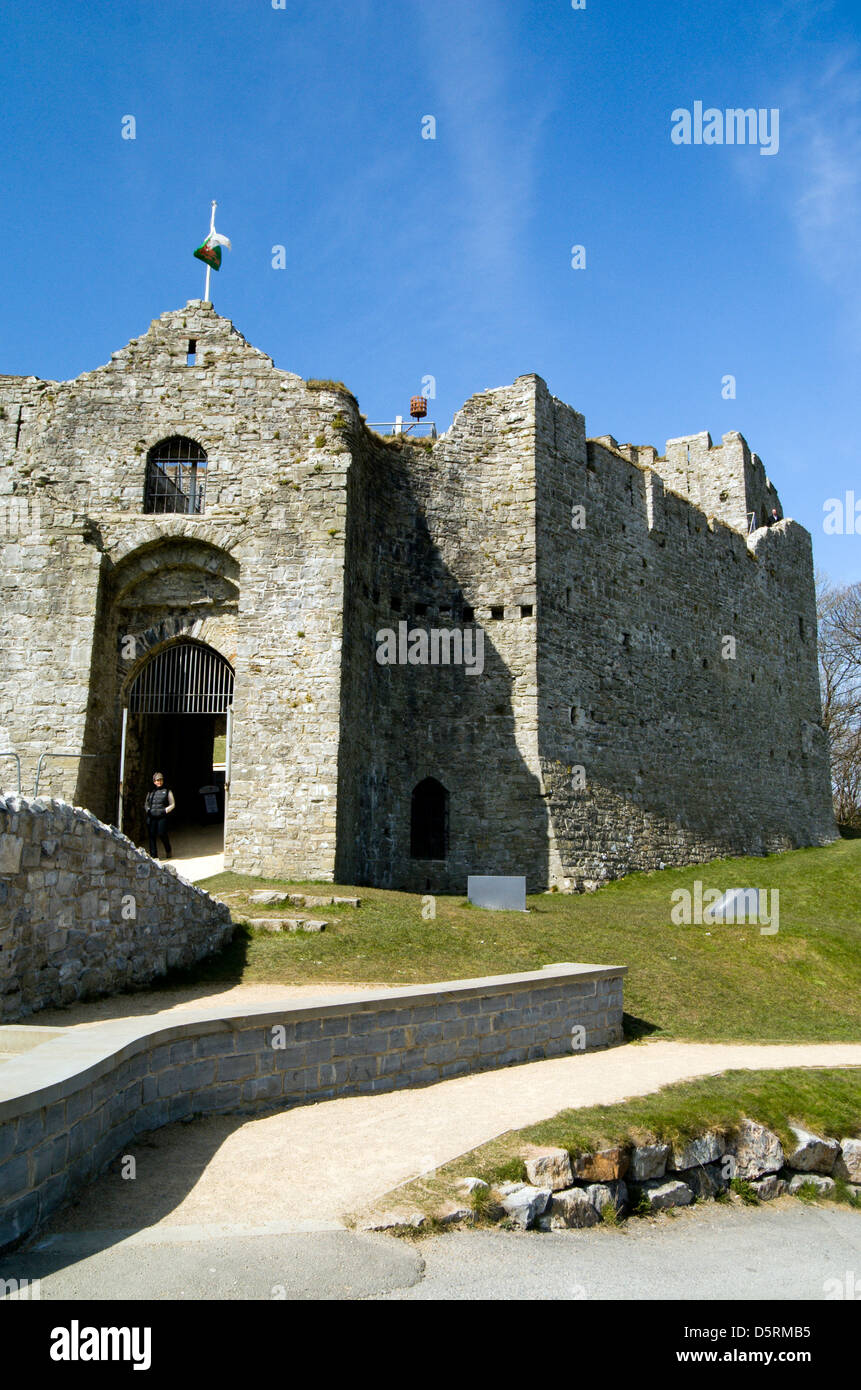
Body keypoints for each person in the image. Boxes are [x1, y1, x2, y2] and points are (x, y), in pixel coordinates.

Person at [145, 771, 175, 859]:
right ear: (154, 781)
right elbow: (146, 803)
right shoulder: (150, 791)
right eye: (157, 780)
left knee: (162, 833)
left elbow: (172, 803)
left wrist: (165, 810)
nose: (159, 782)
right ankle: (154, 856)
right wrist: (148, 810)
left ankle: (168, 850)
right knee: (151, 835)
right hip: (152, 816)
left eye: (161, 780)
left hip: (162, 816)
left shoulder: (167, 791)